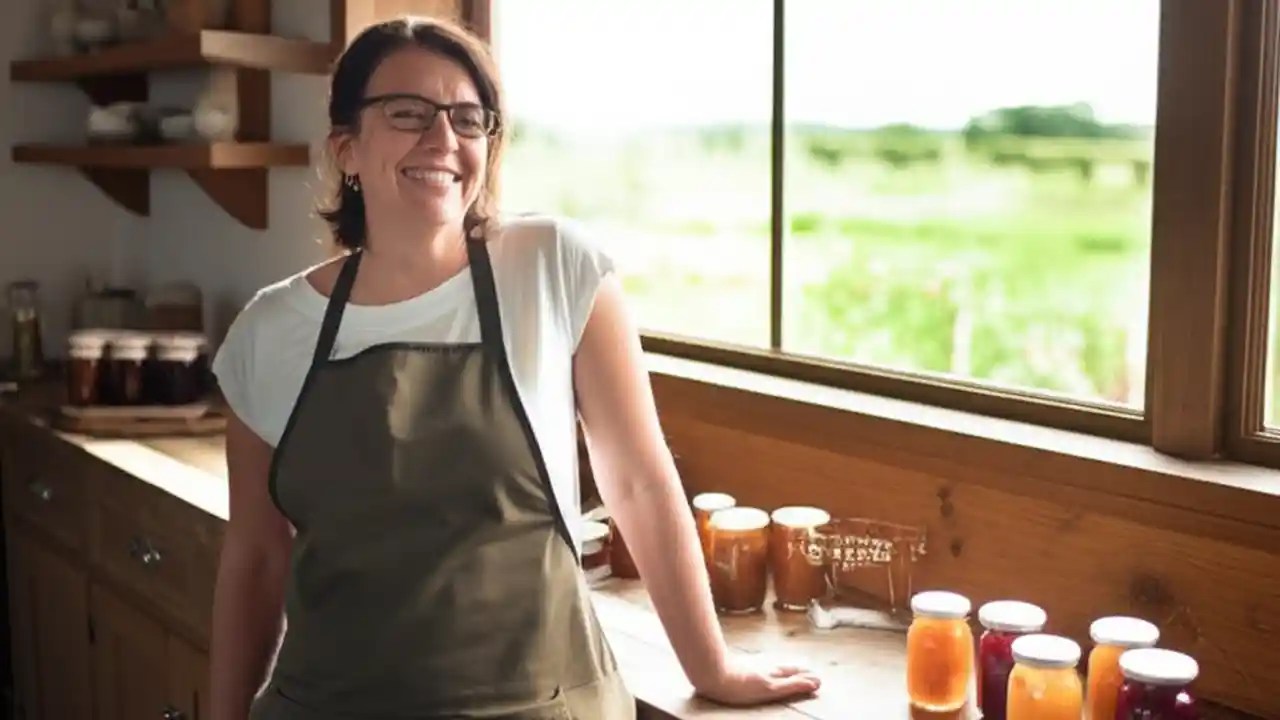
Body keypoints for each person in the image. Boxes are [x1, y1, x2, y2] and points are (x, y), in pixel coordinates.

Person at [208, 15, 821, 720]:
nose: (443, 140)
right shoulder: (269, 331)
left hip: (545, 704)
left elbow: (640, 483)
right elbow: (255, 556)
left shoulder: (552, 266)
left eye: (469, 119)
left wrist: (711, 666)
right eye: (408, 114)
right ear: (346, 148)